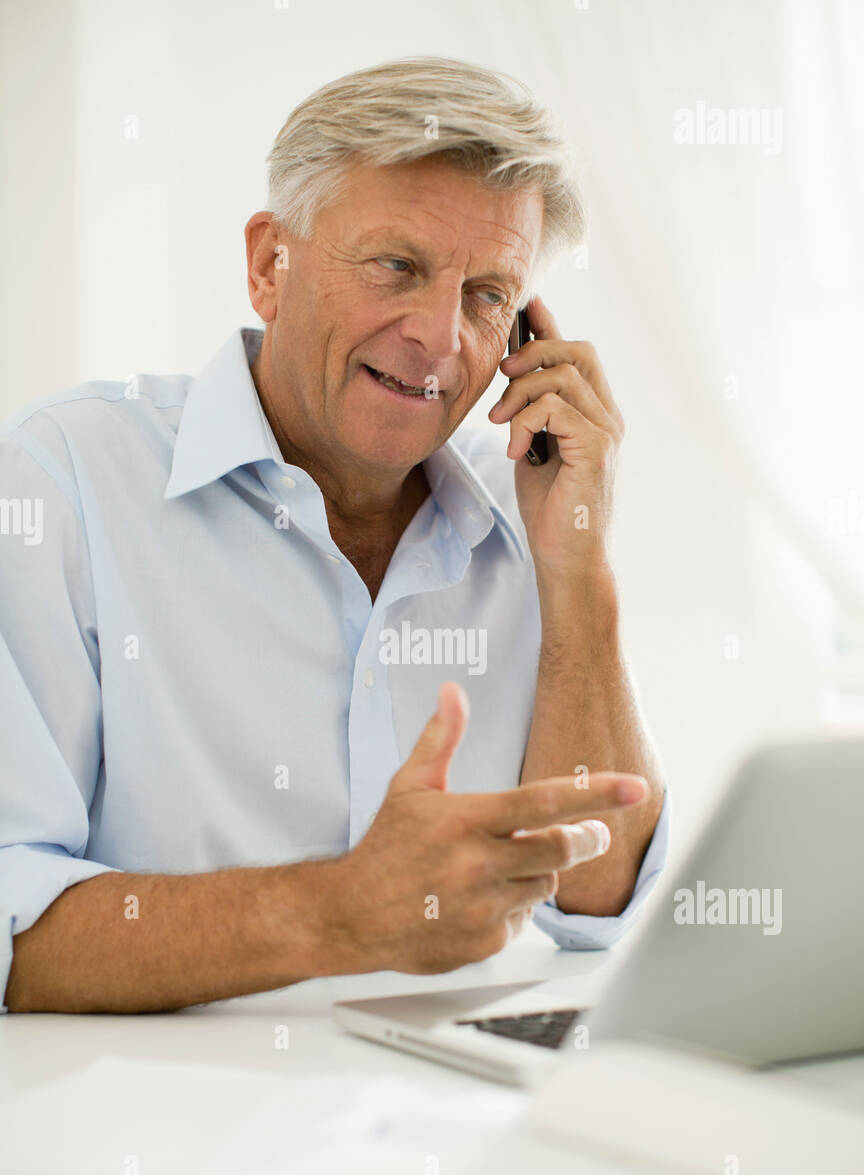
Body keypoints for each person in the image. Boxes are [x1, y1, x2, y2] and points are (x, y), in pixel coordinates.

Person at [0, 56, 667, 1014]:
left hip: (457, 1128)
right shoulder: (61, 482)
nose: (439, 338)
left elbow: (594, 900)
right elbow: (8, 927)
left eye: (487, 294)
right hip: (163, 1138)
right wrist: (337, 915)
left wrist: (578, 570)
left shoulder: (526, 504)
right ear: (271, 264)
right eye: (398, 266)